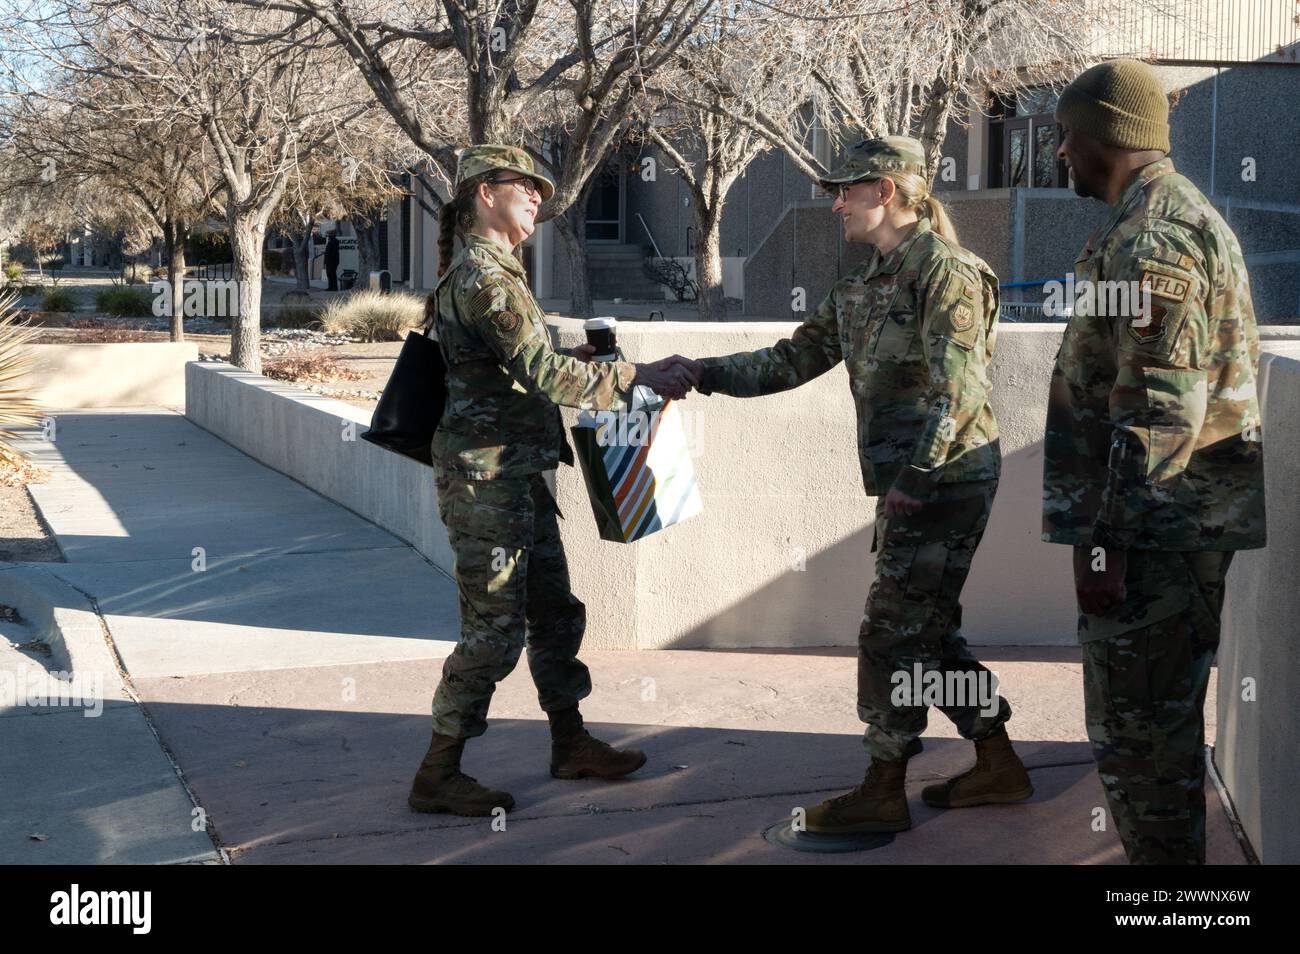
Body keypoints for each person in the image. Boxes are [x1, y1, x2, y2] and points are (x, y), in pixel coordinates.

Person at [662, 136, 1032, 834]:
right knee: (930, 628)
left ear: (887, 191)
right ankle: (997, 759)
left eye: (848, 190)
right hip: (915, 482)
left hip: (945, 478)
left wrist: (917, 476)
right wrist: (699, 372)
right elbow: (790, 360)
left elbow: (959, 391)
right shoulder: (861, 287)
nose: (836, 204)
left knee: (890, 632)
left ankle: (883, 788)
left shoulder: (947, 273)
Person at [409, 144, 697, 817]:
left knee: (555, 614)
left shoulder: (497, 273)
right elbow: (546, 378)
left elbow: (519, 363)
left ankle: (570, 744)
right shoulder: (486, 279)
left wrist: (581, 357)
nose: (538, 196)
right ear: (485, 193)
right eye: (524, 186)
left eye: (541, 188)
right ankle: (437, 771)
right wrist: (636, 376)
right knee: (494, 629)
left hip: (513, 473)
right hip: (487, 481)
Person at [1044, 59, 1266, 864]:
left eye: (1068, 133)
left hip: (1155, 541)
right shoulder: (1147, 220)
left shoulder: (1155, 236)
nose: (1061, 151)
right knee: (1146, 740)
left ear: (1108, 135)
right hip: (1162, 534)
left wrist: (1106, 544)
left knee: (1145, 748)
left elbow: (1160, 415)